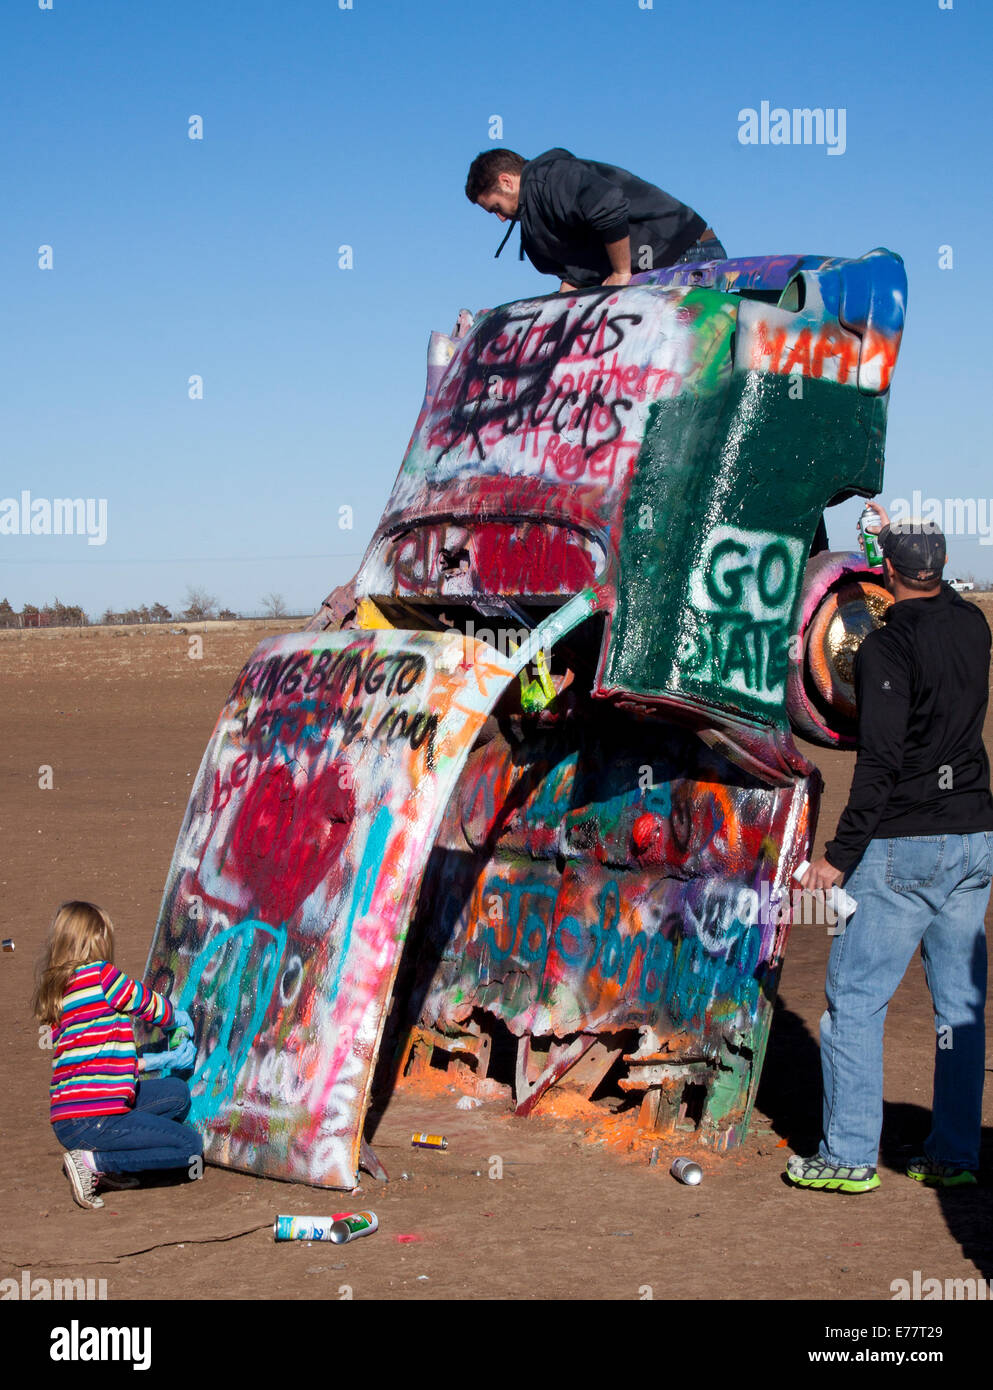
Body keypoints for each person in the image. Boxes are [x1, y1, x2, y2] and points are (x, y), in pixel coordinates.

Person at [787, 502, 993, 1193]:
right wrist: (884, 535)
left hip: (904, 845)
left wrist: (835, 857)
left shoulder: (883, 647)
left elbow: (875, 767)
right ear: (934, 568)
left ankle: (845, 1156)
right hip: (973, 842)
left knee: (853, 1000)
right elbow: (927, 592)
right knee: (957, 1010)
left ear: (887, 576)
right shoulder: (972, 625)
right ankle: (954, 1156)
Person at [33, 900, 201, 1210]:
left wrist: (158, 1061)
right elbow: (146, 1003)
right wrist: (177, 1018)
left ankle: (105, 1164)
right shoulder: (101, 975)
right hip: (97, 1117)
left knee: (177, 1094)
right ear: (97, 940)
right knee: (190, 1147)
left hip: (69, 1119)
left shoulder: (57, 991)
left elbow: (102, 1062)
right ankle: (95, 1163)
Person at [466, 147, 725, 293]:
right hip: (651, 271)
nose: (500, 218)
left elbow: (608, 205)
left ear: (506, 182)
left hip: (686, 254)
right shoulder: (535, 219)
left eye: (495, 208)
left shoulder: (553, 178)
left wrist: (620, 271)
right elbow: (577, 274)